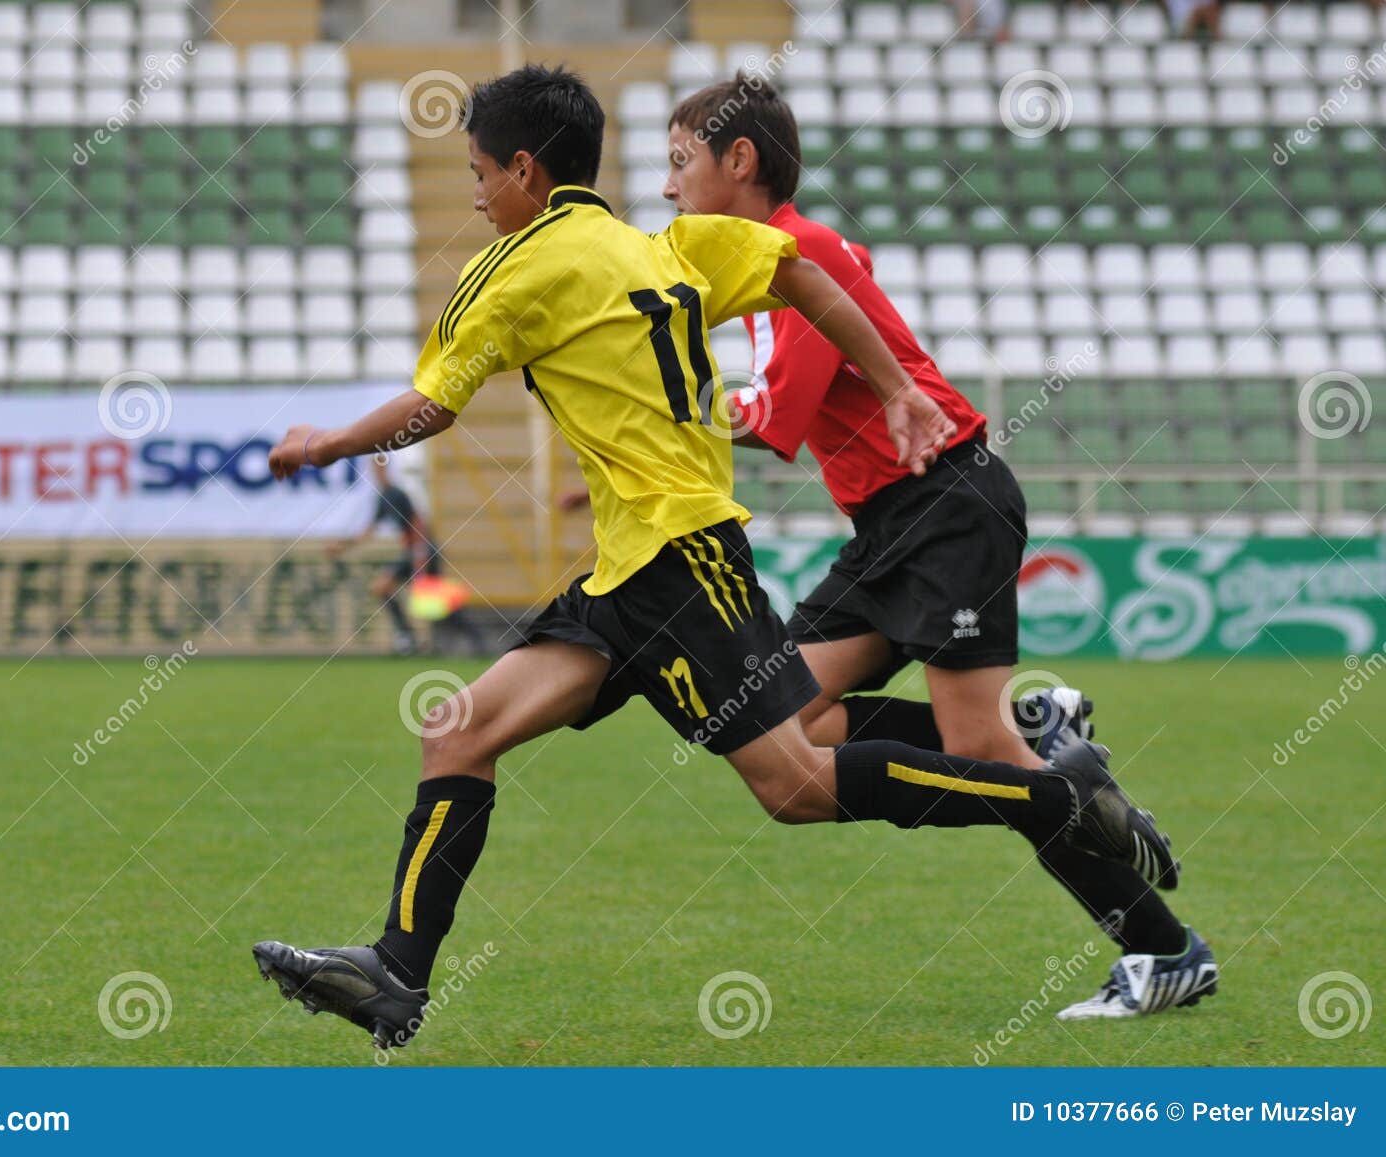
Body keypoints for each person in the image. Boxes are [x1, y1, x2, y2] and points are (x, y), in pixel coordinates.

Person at [252, 64, 1179, 1048]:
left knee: (794, 785)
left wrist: (324, 443)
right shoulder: (672, 246)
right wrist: (892, 384)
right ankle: (396, 973)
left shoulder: (517, 266)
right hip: (627, 572)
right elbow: (802, 273)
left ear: (525, 170)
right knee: (457, 730)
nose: (476, 191)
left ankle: (1051, 791)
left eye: (480, 171)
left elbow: (432, 403)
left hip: (676, 563)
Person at [660, 73, 1216, 1019]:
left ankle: (1164, 950)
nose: (669, 188)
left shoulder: (803, 252)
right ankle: (1044, 744)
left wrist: (665, 401)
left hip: (948, 504)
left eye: (680, 162)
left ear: (738, 161)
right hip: (888, 526)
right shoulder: (771, 263)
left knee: (976, 747)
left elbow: (777, 419)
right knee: (781, 721)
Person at [333, 457, 484, 655]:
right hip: (413, 551)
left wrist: (419, 557)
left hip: (423, 550)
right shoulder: (383, 497)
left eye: (380, 467)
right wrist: (341, 547)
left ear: (386, 469)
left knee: (430, 600)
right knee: (386, 589)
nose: (377, 471)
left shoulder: (397, 494)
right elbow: (368, 532)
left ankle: (472, 636)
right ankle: (408, 637)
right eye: (373, 468)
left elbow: (418, 523)